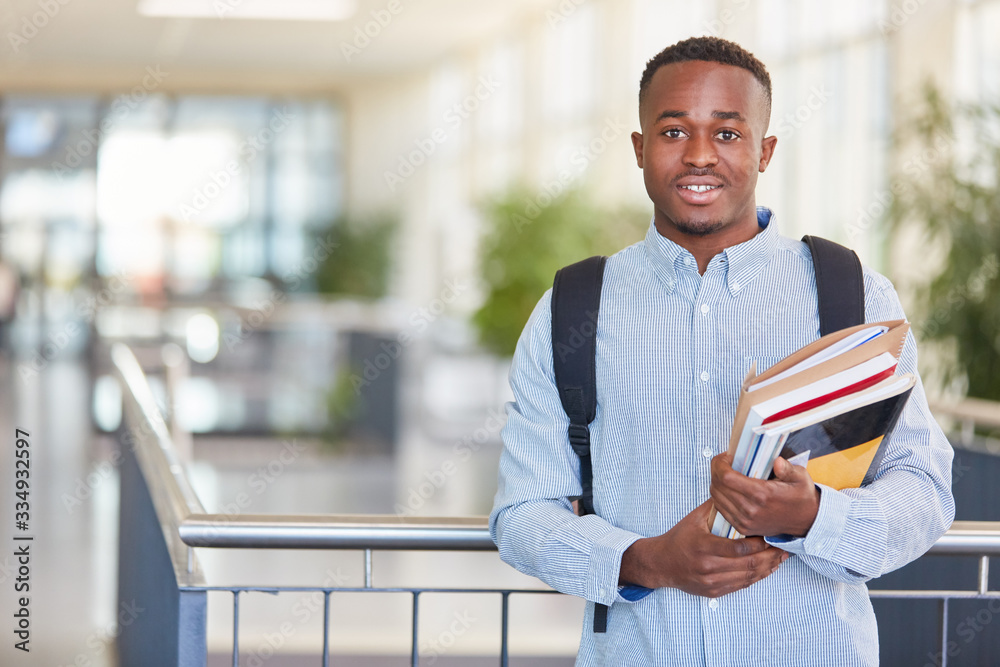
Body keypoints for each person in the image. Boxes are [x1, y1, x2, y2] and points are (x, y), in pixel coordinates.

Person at [489, 36, 954, 666]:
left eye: (729, 134)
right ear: (639, 149)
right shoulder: (573, 308)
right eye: (674, 130)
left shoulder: (853, 297)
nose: (700, 156)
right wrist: (645, 560)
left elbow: (924, 490)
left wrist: (812, 516)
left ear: (764, 151)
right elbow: (521, 513)